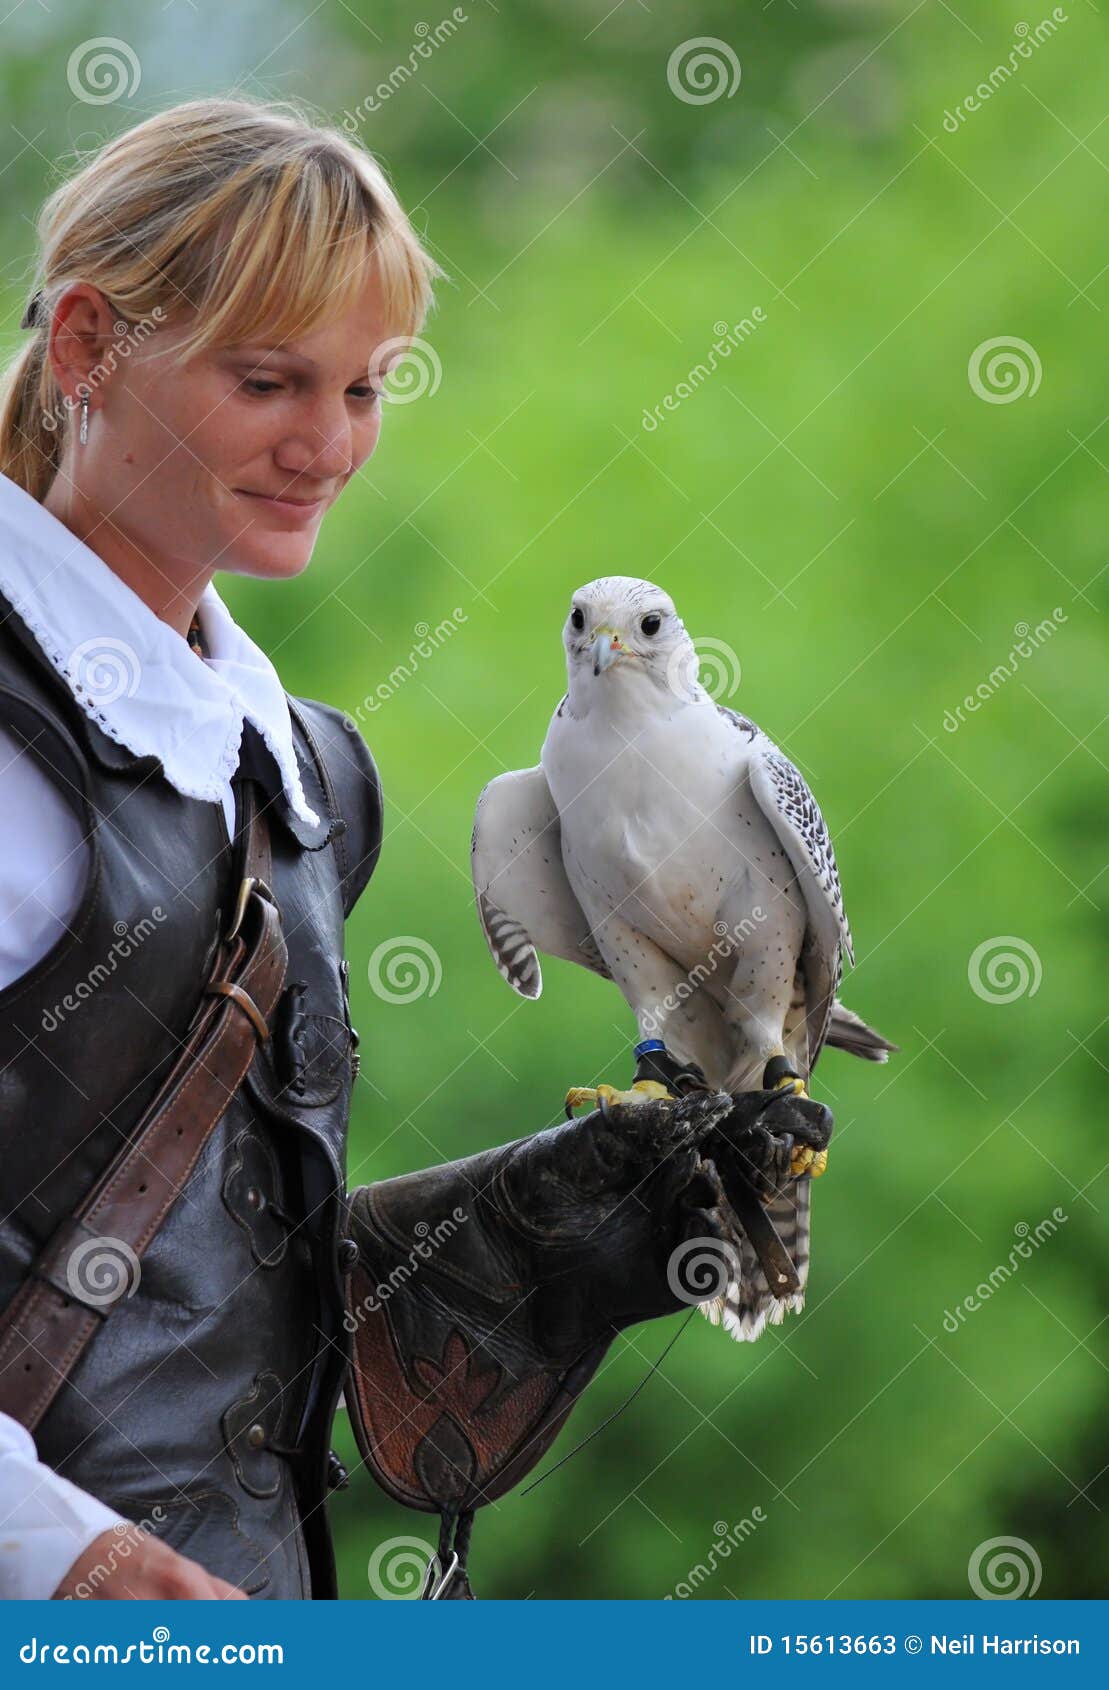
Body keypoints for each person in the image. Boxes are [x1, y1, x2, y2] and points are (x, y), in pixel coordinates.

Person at [0, 95, 829, 1601]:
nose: (328, 444)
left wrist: (452, 1260)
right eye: (268, 382)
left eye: (366, 388)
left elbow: (165, 1231)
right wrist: (65, 1555)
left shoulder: (302, 772)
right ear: (85, 348)